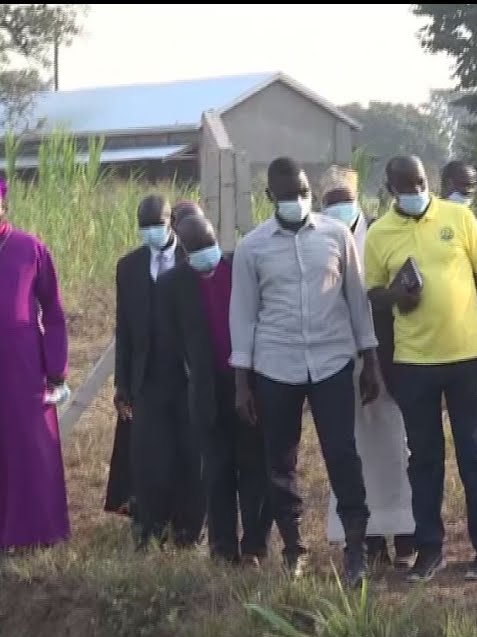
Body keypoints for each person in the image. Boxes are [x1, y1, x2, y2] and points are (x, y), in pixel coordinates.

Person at [229, 156, 381, 585]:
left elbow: (356, 299)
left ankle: (356, 549)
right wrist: (243, 382)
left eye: (301, 193)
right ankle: (294, 546)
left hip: (332, 360)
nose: (296, 200)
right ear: (270, 197)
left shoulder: (335, 236)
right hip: (276, 365)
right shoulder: (252, 247)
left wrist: (370, 359)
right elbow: (243, 316)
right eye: (287, 195)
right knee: (280, 460)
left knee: (342, 453)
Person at [364, 155, 477, 583]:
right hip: (413, 363)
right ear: (391, 190)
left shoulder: (458, 218)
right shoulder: (379, 234)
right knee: (424, 459)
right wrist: (395, 297)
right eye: (405, 186)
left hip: (467, 358)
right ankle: (430, 550)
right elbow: (374, 295)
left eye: (420, 182)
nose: (415, 192)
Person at [316, 169, 417, 569]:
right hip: (339, 358)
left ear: (358, 198)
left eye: (345, 198)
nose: (338, 206)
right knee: (353, 449)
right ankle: (368, 538)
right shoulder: (317, 240)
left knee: (399, 445)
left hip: (391, 357)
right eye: (330, 200)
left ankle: (407, 534)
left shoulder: (382, 233)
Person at [157, 214, 271, 565]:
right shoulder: (172, 285)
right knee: (218, 470)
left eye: (210, 243)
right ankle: (223, 549)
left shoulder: (241, 268)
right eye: (197, 247)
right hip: (207, 391)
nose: (206, 251)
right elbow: (172, 341)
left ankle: (254, 546)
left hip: (250, 385)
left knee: (255, 469)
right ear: (184, 248)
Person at [106, 199, 209, 518]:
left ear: (172, 222)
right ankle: (148, 527)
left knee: (191, 454)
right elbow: (123, 329)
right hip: (147, 377)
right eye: (144, 225)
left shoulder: (193, 260)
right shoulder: (129, 266)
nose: (150, 231)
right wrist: (122, 383)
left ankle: (189, 528)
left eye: (157, 224)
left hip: (187, 376)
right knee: (149, 457)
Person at [0, 175, 71, 551]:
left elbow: (55, 313)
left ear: (3, 204)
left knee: (31, 445)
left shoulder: (30, 248)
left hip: (24, 366)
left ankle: (37, 534)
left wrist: (56, 370)